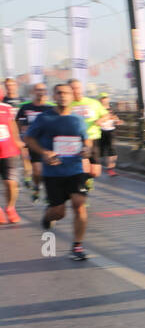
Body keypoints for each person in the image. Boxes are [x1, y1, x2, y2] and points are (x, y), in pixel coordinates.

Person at [23, 82, 97, 260]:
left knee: (79, 206)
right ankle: (48, 217)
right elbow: (29, 138)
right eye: (59, 93)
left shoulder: (78, 119)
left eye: (66, 93)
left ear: (72, 96)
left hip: (76, 169)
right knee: (59, 212)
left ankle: (77, 246)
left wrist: (87, 149)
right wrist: (44, 153)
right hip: (53, 171)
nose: (63, 96)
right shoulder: (44, 118)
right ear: (54, 96)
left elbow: (86, 140)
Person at [16, 83, 54, 203]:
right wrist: (21, 132)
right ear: (33, 92)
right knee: (37, 171)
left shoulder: (50, 108)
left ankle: (49, 193)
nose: (40, 92)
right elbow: (16, 122)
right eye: (37, 90)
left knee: (49, 170)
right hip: (33, 142)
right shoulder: (25, 108)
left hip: (48, 143)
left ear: (46, 92)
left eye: (43, 89)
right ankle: (37, 187)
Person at [67, 79, 106, 191]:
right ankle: (81, 191)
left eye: (77, 88)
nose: (76, 91)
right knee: (83, 166)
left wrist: (100, 120)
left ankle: (88, 179)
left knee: (95, 171)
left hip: (93, 138)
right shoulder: (67, 105)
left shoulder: (93, 103)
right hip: (77, 140)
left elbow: (106, 115)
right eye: (72, 88)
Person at [0, 95, 20, 222]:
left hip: (8, 151)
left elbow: (13, 127)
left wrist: (18, 142)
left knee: (11, 183)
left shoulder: (7, 108)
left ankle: (10, 208)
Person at [97, 92, 121, 176]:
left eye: (105, 98)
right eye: (102, 98)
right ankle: (96, 167)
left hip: (111, 131)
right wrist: (104, 118)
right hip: (101, 131)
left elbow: (116, 118)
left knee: (112, 150)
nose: (104, 100)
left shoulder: (112, 108)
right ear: (99, 100)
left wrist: (117, 121)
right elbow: (97, 121)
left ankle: (110, 169)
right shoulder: (97, 109)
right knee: (101, 151)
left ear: (108, 99)